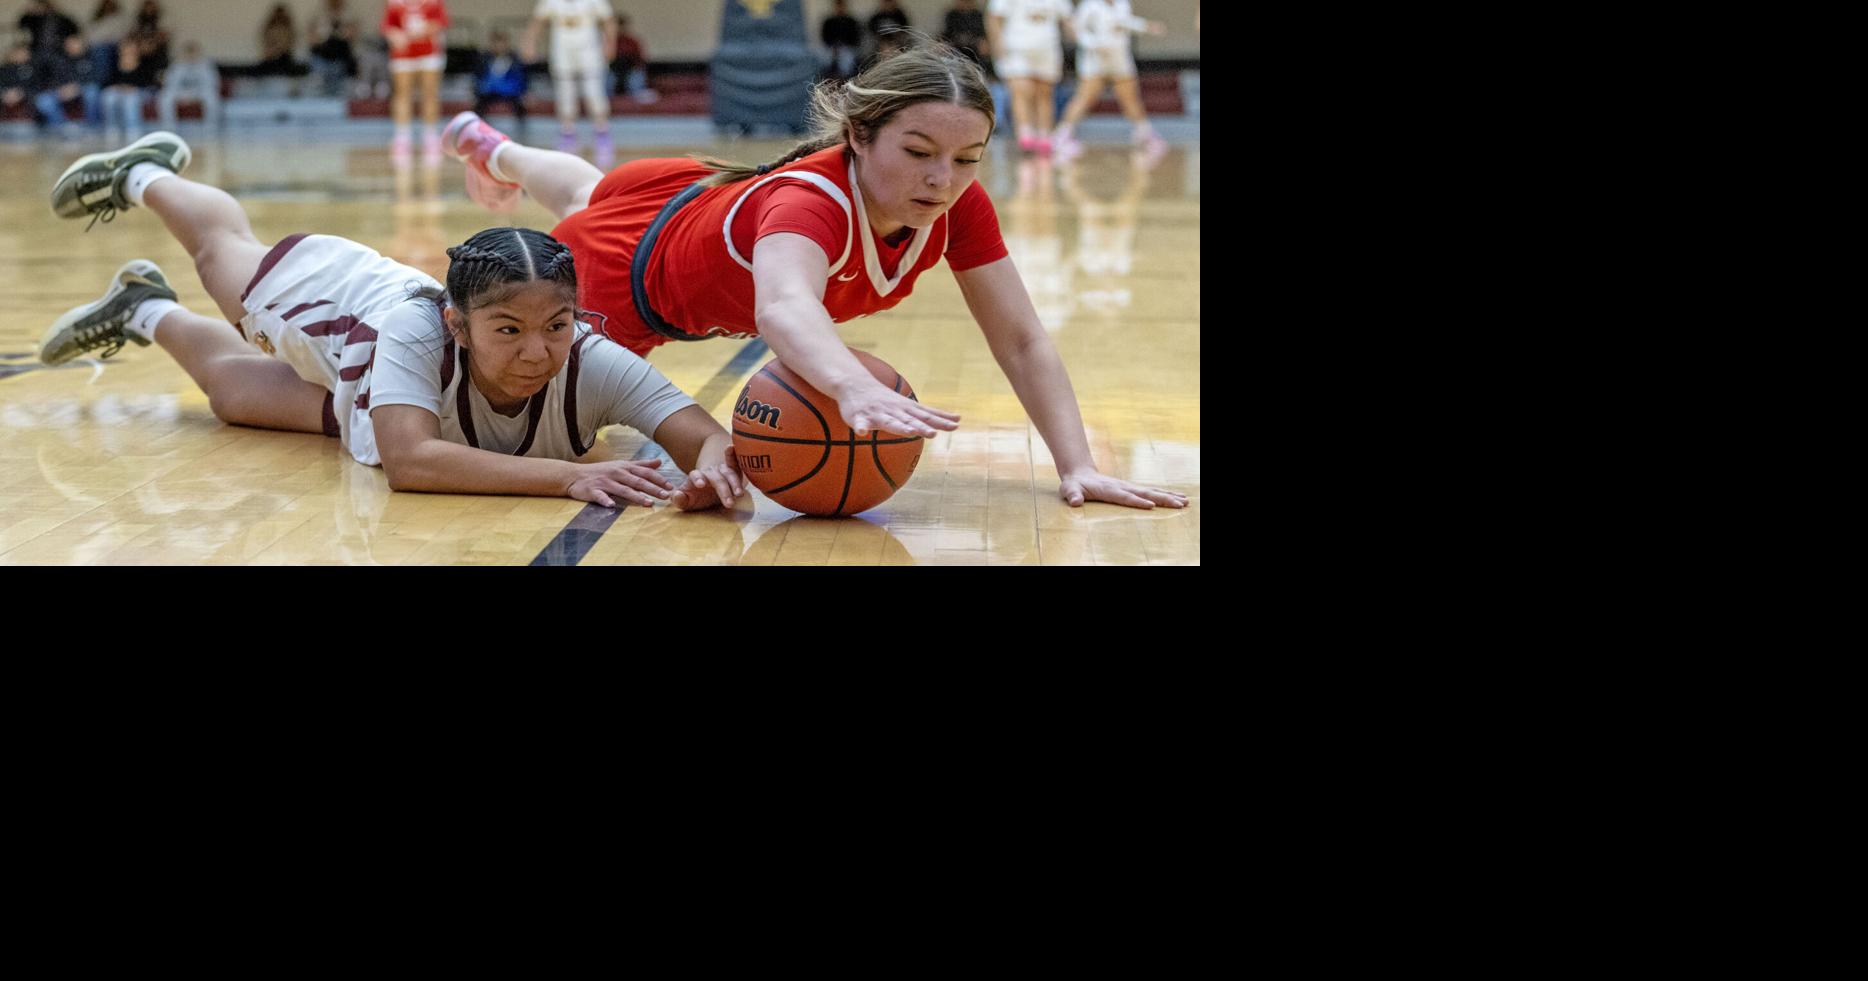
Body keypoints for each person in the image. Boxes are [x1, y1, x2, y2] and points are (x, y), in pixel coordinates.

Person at [440, 42, 1185, 510]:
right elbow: (786, 308)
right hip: (622, 279)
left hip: (684, 195)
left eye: (966, 159)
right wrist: (849, 383)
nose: (943, 179)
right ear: (858, 136)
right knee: (550, 427)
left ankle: (490, 147)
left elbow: (1021, 337)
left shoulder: (958, 205)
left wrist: (1078, 462)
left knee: (590, 189)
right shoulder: (808, 201)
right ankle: (493, 150)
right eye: (919, 150)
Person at [39, 132, 747, 511]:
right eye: (508, 330)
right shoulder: (417, 331)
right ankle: (145, 174)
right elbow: (410, 462)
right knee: (225, 256)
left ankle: (142, 306)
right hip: (347, 308)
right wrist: (564, 476)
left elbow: (704, 436)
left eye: (556, 326)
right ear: (458, 327)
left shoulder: (589, 354)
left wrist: (711, 477)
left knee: (234, 397)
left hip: (396, 388)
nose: (538, 351)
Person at [1053, 0, 1165, 156]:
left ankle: (1144, 133)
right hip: (1095, 61)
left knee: (1130, 98)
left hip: (1119, 58)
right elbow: (1075, 31)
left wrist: (1146, 26)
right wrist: (1095, 44)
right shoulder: (1089, 6)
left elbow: (1125, 22)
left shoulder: (1122, 4)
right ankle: (1062, 135)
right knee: (1084, 98)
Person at [523, 0, 617, 166]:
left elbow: (608, 21)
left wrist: (610, 44)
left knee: (593, 92)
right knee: (565, 94)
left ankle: (602, 133)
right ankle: (568, 133)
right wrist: (530, 43)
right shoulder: (551, 2)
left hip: (589, 52)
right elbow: (537, 22)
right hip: (562, 52)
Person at [986, 0, 1071, 154]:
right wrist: (997, 45)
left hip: (1047, 48)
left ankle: (1045, 136)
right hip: (1016, 48)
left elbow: (1067, 18)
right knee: (1021, 91)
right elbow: (994, 18)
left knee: (1044, 93)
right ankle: (1025, 135)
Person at [382, 0, 448, 164]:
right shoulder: (394, 3)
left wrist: (421, 31)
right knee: (402, 93)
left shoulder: (433, 2)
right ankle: (402, 138)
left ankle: (430, 137)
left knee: (430, 93)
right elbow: (387, 26)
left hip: (429, 51)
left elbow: (441, 22)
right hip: (403, 54)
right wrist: (395, 35)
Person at [33, 32, 101, 133]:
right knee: (43, 100)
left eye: (75, 43)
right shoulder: (59, 60)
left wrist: (77, 87)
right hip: (63, 91)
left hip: (83, 89)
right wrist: (60, 89)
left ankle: (91, 127)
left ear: (82, 44)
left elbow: (97, 78)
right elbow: (52, 79)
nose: (72, 47)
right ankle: (60, 128)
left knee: (92, 92)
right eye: (69, 44)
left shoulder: (92, 58)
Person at [98, 26, 159, 138]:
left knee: (130, 99)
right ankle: (112, 128)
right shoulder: (114, 63)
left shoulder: (145, 62)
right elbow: (106, 81)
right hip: (119, 90)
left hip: (141, 91)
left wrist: (132, 87)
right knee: (108, 96)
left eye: (130, 47)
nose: (127, 50)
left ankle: (133, 129)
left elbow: (149, 82)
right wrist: (118, 86)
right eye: (124, 47)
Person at [157, 39, 218, 130]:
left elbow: (211, 83)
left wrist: (193, 95)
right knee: (165, 96)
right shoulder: (177, 65)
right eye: (188, 52)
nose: (191, 55)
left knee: (211, 96)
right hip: (181, 92)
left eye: (193, 52)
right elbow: (170, 84)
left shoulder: (206, 65)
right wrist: (185, 96)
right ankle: (168, 125)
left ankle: (211, 125)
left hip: (199, 92)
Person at [472, 29, 528, 126]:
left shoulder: (515, 59)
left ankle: (522, 127)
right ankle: (479, 127)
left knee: (520, 105)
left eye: (501, 43)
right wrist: (475, 92)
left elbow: (522, 77)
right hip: (490, 91)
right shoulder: (484, 58)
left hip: (511, 91)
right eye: (496, 43)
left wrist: (525, 92)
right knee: (479, 105)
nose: (499, 46)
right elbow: (477, 77)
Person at [307, 0, 357, 96]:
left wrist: (340, 30)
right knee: (318, 91)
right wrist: (325, 32)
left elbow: (351, 34)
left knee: (341, 93)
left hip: (341, 60)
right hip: (322, 59)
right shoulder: (318, 13)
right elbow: (312, 38)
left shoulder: (349, 14)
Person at [255, 4, 299, 80]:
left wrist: (278, 49)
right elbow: (267, 41)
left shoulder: (287, 29)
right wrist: (271, 51)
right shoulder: (269, 28)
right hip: (271, 58)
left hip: (284, 59)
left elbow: (287, 44)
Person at [941, 0, 989, 65]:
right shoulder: (952, 15)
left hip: (975, 49)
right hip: (956, 48)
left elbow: (983, 34)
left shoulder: (978, 15)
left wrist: (985, 43)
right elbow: (947, 33)